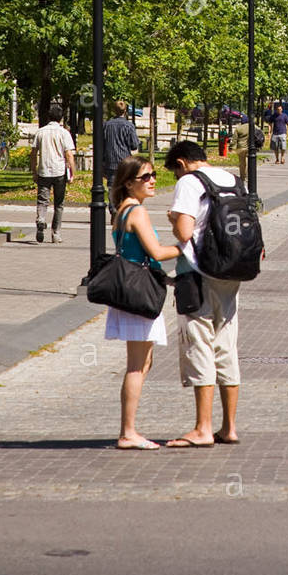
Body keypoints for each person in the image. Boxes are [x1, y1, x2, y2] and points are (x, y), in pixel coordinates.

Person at [164, 140, 243, 447]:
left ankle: (203, 428)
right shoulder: (233, 179)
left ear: (182, 163)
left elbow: (185, 233)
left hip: (197, 274)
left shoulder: (189, 182)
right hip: (231, 271)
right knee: (226, 347)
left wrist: (174, 219)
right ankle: (230, 427)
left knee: (200, 345)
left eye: (174, 172)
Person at [106, 156, 181, 451]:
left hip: (130, 290)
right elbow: (157, 252)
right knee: (137, 366)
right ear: (128, 183)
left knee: (142, 362)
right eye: (145, 177)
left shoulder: (122, 211)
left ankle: (129, 429)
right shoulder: (137, 212)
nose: (152, 181)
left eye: (153, 175)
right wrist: (189, 244)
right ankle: (128, 432)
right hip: (138, 295)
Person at [30, 103, 75, 243]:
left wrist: (34, 170)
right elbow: (69, 155)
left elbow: (33, 153)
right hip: (59, 171)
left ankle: (41, 219)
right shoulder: (64, 133)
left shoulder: (40, 132)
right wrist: (72, 172)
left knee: (42, 201)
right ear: (61, 118)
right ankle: (56, 233)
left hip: (44, 170)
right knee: (59, 204)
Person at [103, 100, 140, 202]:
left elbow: (102, 144)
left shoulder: (107, 125)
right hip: (125, 162)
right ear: (125, 111)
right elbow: (134, 145)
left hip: (110, 162)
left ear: (114, 111)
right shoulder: (129, 126)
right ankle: (122, 208)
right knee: (125, 188)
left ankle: (113, 209)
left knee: (112, 188)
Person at [232, 117, 250, 183]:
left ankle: (242, 177)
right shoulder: (252, 127)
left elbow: (234, 139)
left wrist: (232, 147)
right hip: (250, 147)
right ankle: (248, 176)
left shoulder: (239, 128)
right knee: (248, 163)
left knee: (242, 163)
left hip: (241, 148)